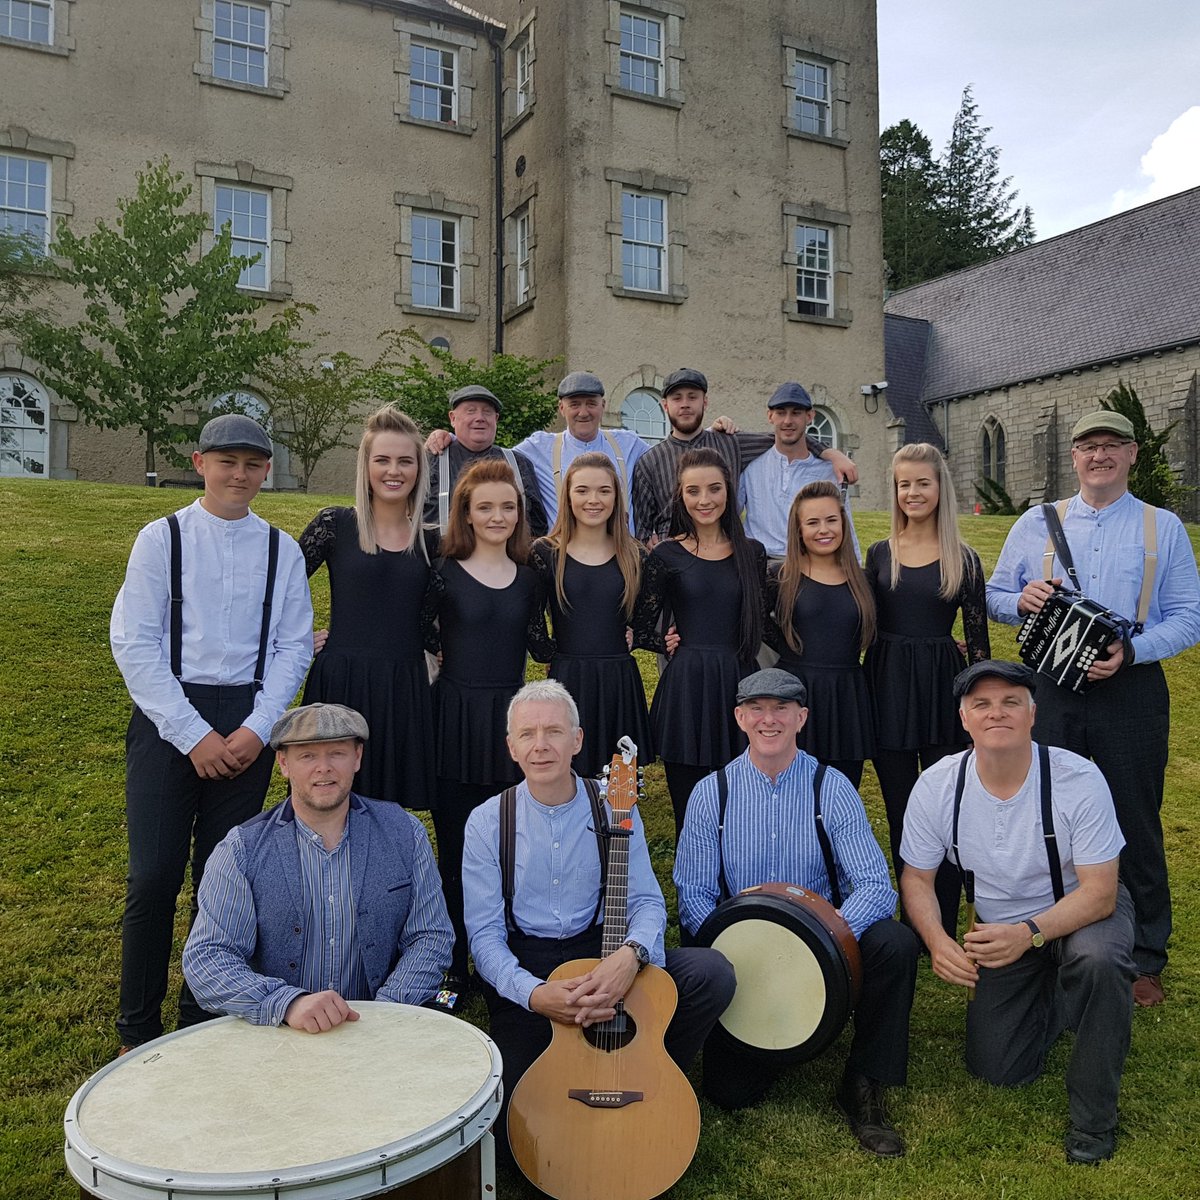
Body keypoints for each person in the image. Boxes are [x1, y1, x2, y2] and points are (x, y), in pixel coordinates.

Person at [110, 413, 312, 1052]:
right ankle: (136, 1030)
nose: (240, 475)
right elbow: (134, 642)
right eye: (227, 462)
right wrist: (192, 734)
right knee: (153, 878)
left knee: (221, 882)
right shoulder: (160, 539)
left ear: (266, 471)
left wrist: (258, 729)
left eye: (253, 465)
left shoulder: (282, 548)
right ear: (200, 464)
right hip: (170, 719)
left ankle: (200, 1018)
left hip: (248, 723)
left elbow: (292, 646)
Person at [986, 410, 1200, 1008]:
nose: (1099, 455)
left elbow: (1189, 615)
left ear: (1133, 454)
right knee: (1047, 813)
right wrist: (1017, 601)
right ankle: (1052, 942)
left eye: (1113, 445)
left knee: (1134, 816)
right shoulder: (1037, 522)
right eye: (1088, 446)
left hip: (1130, 691)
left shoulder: (1164, 528)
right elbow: (995, 594)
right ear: (1073, 457)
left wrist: (1132, 651)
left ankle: (1144, 957)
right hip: (1051, 686)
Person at [462, 679, 736, 1144]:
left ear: (578, 740)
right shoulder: (488, 821)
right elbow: (485, 936)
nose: (541, 745)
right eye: (527, 734)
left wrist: (630, 957)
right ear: (511, 747)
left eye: (554, 731)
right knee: (516, 1132)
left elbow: (647, 901)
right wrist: (533, 995)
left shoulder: (615, 806)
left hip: (604, 947)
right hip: (532, 967)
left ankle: (650, 1068)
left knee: (711, 973)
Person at [674, 668, 917, 1156]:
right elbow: (694, 897)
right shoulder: (710, 793)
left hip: (824, 951)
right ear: (740, 717)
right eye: (757, 709)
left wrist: (824, 943)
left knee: (895, 942)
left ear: (801, 717)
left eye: (781, 708)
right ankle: (764, 1033)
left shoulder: (832, 787)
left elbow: (875, 885)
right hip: (745, 958)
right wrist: (742, 948)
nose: (770, 720)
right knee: (730, 1095)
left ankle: (864, 1083)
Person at [900, 660, 1136, 1164]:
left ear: (1033, 714)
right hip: (1000, 926)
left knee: (1098, 960)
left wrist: (1028, 934)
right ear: (964, 719)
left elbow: (1101, 894)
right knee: (997, 1068)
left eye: (1011, 702)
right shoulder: (938, 785)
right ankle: (1056, 996)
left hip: (1081, 911)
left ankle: (1093, 1122)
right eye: (981, 704)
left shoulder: (1078, 778)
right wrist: (939, 942)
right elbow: (916, 880)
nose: (996, 713)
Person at [183, 703, 453, 1030]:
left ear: (357, 758)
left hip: (379, 1029)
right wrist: (286, 1003)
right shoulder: (242, 849)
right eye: (308, 756)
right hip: (280, 1030)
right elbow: (208, 959)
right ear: (283, 763)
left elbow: (431, 936)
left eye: (336, 753)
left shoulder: (405, 833)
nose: (323, 768)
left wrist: (386, 1012)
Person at [423, 458, 551, 993]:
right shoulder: (443, 573)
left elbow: (543, 645)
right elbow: (420, 637)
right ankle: (455, 966)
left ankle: (505, 959)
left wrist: (627, 635)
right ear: (466, 515)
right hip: (452, 718)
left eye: (507, 506)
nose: (497, 516)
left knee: (509, 848)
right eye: (485, 507)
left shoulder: (529, 579)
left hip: (510, 725)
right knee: (455, 849)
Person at [864, 442, 990, 936]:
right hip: (887, 685)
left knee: (945, 807)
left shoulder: (965, 559)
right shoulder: (879, 554)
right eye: (904, 484)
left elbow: (979, 646)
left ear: (941, 488)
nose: (912, 492)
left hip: (942, 688)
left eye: (922, 483)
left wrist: (978, 708)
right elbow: (858, 621)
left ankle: (941, 915)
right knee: (900, 806)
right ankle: (910, 918)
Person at [299, 405, 437, 810]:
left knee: (389, 810)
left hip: (405, 688)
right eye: (383, 460)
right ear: (366, 465)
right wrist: (291, 640)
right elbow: (276, 589)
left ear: (418, 468)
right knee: (330, 803)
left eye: (405, 461)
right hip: (342, 682)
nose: (394, 471)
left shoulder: (435, 542)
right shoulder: (335, 525)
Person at [632, 447, 767, 837]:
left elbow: (763, 622)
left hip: (739, 681)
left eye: (714, 489)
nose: (704, 500)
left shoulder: (751, 553)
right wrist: (665, 642)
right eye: (693, 491)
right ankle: (694, 889)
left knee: (743, 807)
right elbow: (641, 625)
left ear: (729, 492)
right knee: (689, 810)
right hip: (687, 687)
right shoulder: (667, 555)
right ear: (680, 495)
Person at [528, 452, 653, 777]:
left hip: (618, 680)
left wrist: (637, 634)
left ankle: (618, 829)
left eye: (604, 491)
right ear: (568, 495)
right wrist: (548, 651)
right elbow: (530, 614)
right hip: (569, 677)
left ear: (616, 496)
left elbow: (651, 609)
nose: (593, 500)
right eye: (582, 490)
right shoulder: (546, 552)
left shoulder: (634, 554)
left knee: (619, 784)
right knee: (566, 774)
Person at [631, 367, 856, 545]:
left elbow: (784, 435)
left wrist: (830, 453)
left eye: (692, 397)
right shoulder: (650, 461)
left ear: (705, 402)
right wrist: (649, 545)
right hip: (672, 555)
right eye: (677, 398)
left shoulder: (731, 443)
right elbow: (642, 525)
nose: (685, 404)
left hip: (726, 553)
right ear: (665, 406)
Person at [766, 481, 875, 787]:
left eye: (831, 520)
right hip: (794, 694)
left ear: (844, 522)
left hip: (846, 696)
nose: (823, 530)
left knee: (840, 788)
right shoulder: (780, 576)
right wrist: (791, 650)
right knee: (792, 788)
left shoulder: (864, 581)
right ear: (798, 530)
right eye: (812, 522)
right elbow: (751, 621)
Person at [740, 381, 860, 560]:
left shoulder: (829, 472)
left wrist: (856, 575)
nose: (788, 421)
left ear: (810, 416)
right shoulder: (751, 466)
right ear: (770, 416)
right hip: (759, 566)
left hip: (810, 564)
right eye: (781, 413)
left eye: (796, 413)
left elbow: (845, 527)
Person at [423, 384, 548, 537]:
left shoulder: (518, 463)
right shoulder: (431, 460)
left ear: (496, 419)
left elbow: (537, 524)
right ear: (452, 418)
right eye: (471, 411)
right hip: (441, 558)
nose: (480, 418)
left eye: (487, 412)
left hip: (505, 559)